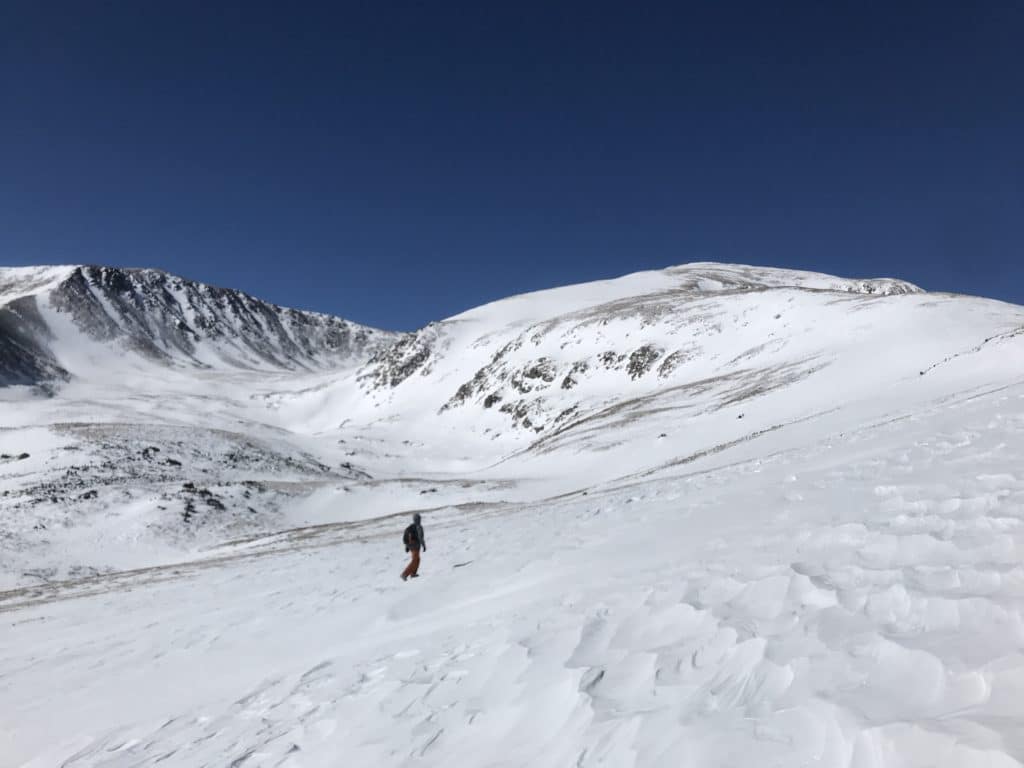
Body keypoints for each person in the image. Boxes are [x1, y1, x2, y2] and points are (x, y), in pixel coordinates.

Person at [401, 512, 426, 581]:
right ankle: (404, 574)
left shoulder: (410, 527)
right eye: (418, 518)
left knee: (417, 559)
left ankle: (413, 573)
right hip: (416, 546)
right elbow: (421, 537)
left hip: (412, 546)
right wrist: (424, 545)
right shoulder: (418, 527)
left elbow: (406, 538)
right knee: (415, 560)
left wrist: (407, 546)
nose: (419, 520)